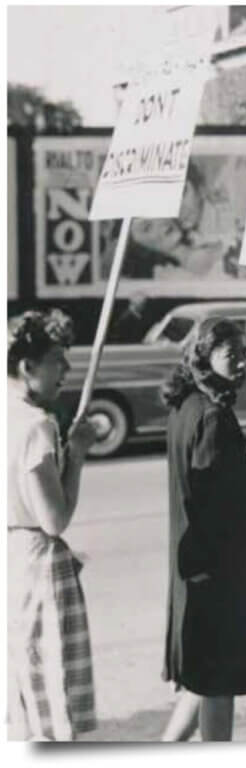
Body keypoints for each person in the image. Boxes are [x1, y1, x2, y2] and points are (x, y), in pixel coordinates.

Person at [159, 318, 246, 741]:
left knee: (204, 676)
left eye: (245, 353)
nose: (243, 362)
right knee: (218, 682)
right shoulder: (212, 417)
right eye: (232, 354)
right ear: (205, 356)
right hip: (217, 573)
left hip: (194, 568)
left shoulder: (186, 405)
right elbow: (217, 507)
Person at [7, 309, 99, 740]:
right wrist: (76, 453)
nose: (66, 369)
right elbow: (54, 520)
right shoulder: (36, 425)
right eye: (56, 360)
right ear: (28, 366)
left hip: (11, 559)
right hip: (40, 567)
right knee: (54, 691)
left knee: (22, 692)